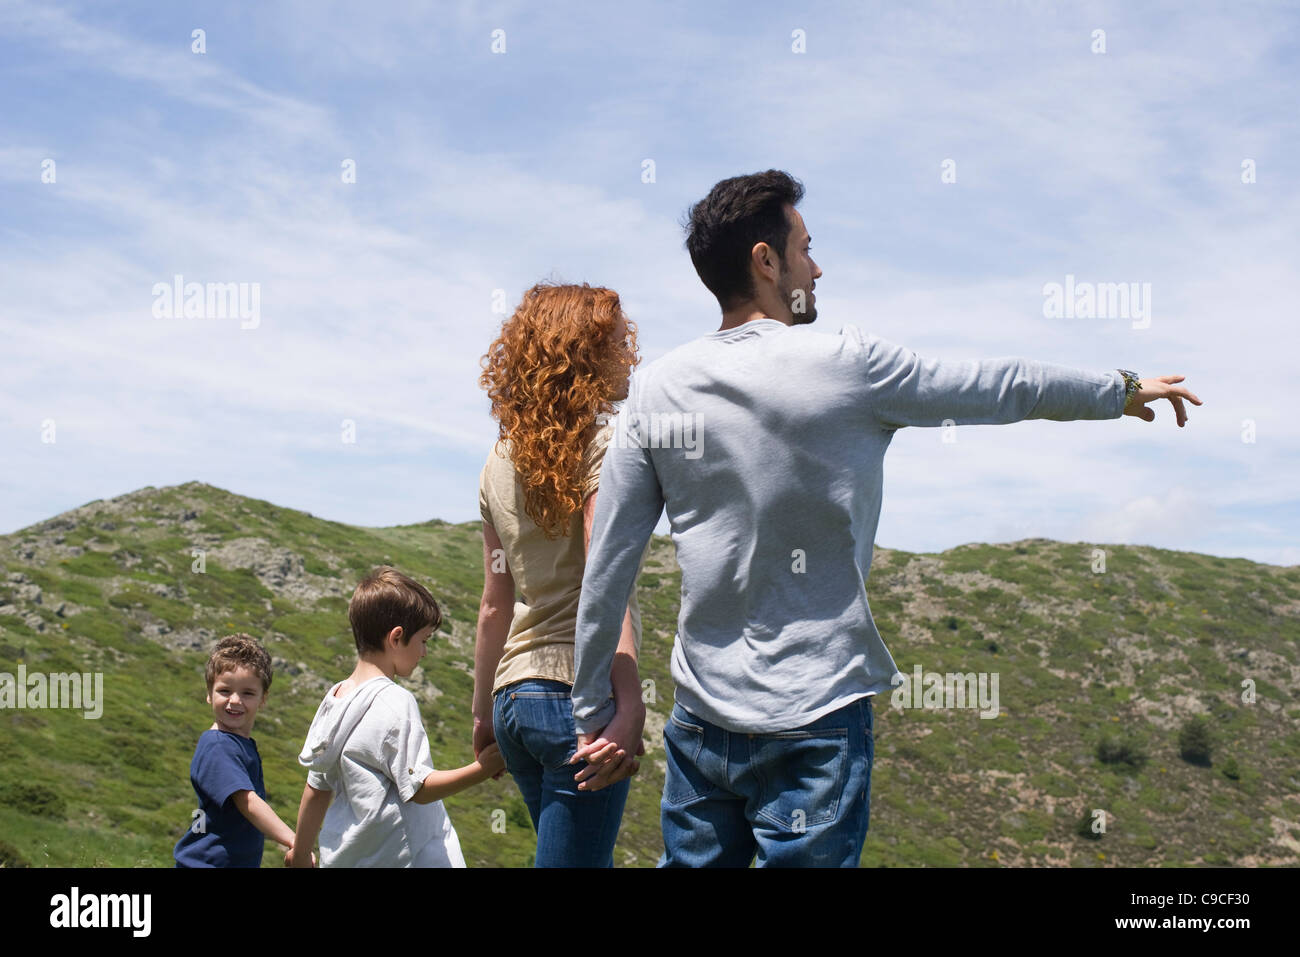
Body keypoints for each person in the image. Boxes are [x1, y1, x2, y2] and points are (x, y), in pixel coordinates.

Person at [569, 169, 1203, 867]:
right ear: (766, 259)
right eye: (807, 247)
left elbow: (607, 567)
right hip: (818, 721)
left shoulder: (657, 389)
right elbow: (998, 386)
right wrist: (1115, 390)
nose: (819, 265)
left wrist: (592, 712)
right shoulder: (849, 364)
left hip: (701, 722)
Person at [473, 281, 647, 867]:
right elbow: (606, 574)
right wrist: (628, 702)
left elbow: (495, 604)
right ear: (587, 353)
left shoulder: (496, 462)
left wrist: (482, 714)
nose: (630, 356)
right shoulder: (604, 445)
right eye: (618, 343)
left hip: (514, 698)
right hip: (577, 694)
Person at [287, 566, 504, 867]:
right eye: (424, 640)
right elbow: (420, 788)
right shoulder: (395, 701)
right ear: (397, 637)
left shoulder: (335, 699)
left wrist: (299, 854)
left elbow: (316, 789)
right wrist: (482, 768)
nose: (424, 653)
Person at [174, 634, 298, 867]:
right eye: (224, 691)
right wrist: (294, 841)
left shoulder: (237, 744)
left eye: (247, 693)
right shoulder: (218, 746)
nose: (235, 700)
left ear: (263, 698)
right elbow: (248, 802)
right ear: (209, 694)